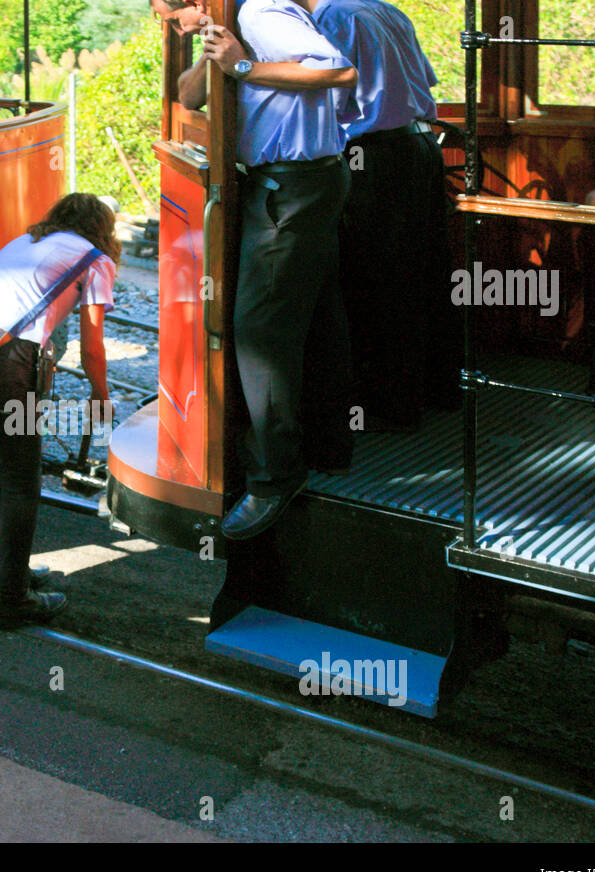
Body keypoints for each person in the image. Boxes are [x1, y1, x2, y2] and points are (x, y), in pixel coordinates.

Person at [152, 0, 360, 539]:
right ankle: (330, 445)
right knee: (316, 314)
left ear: (194, 2)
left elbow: (338, 70)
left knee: (258, 333)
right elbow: (188, 96)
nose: (170, 27)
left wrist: (244, 67)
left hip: (292, 186)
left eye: (171, 17)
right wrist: (215, 57)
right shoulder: (228, 28)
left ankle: (273, 478)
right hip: (301, 183)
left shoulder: (261, 15)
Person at [0, 193, 118, 628]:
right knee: (20, 480)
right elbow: (93, 346)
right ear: (101, 229)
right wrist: (100, 394)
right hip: (3, 361)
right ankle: (12, 600)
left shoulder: (23, 242)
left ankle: (6, 577)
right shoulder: (95, 259)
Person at [312, 0, 456, 429]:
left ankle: (388, 408)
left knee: (376, 278)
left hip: (373, 153)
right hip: (420, 146)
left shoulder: (332, 18)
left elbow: (329, 94)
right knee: (426, 270)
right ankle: (439, 389)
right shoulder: (385, 10)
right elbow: (424, 79)